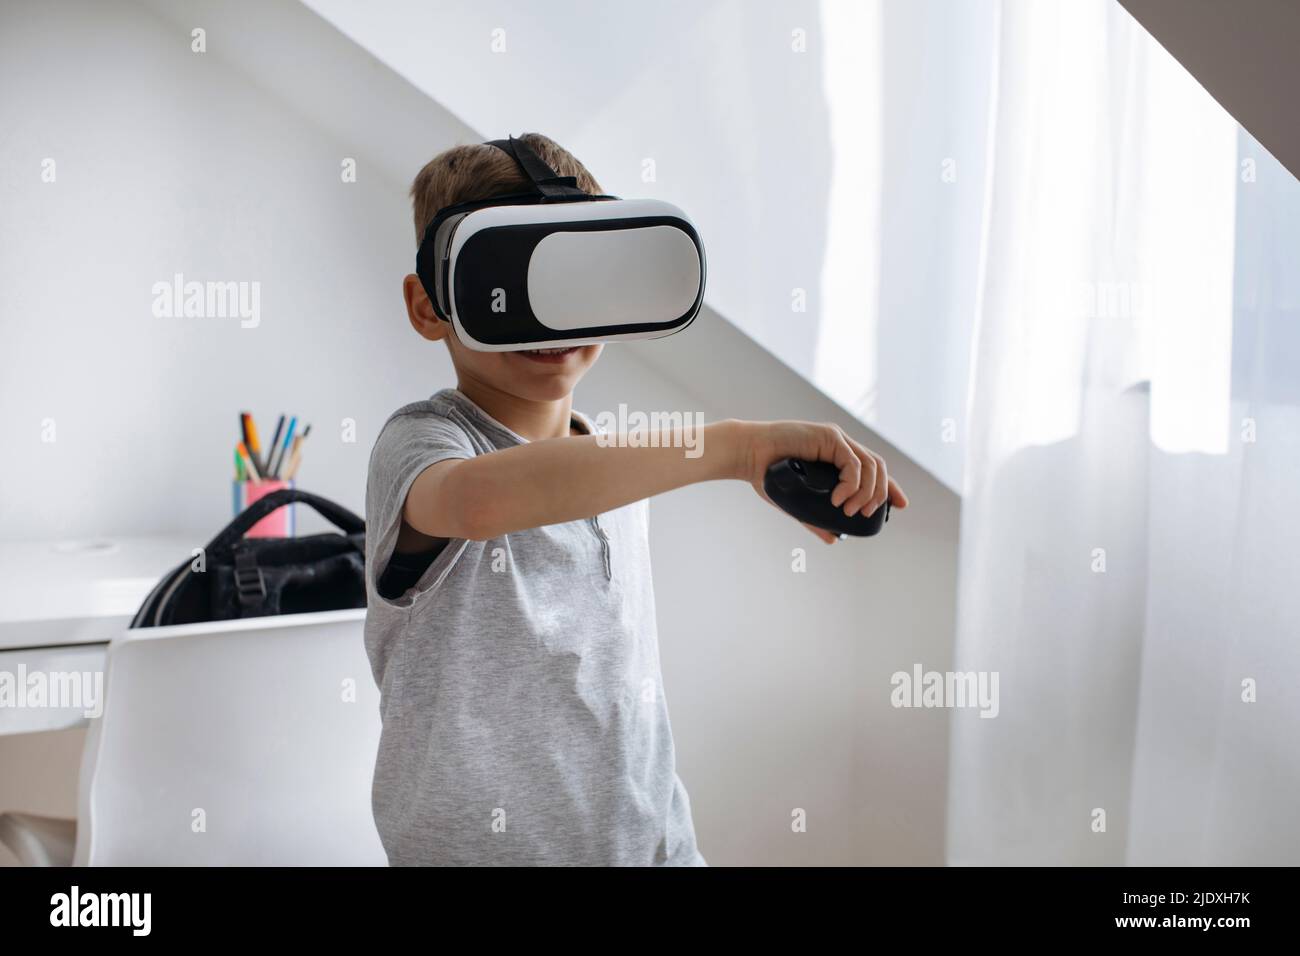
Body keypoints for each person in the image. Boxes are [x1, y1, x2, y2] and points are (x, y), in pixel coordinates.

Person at [364, 132, 908, 866]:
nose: (548, 318)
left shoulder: (615, 463)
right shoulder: (425, 444)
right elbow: (476, 505)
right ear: (429, 305)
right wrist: (739, 449)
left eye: (574, 280)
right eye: (512, 284)